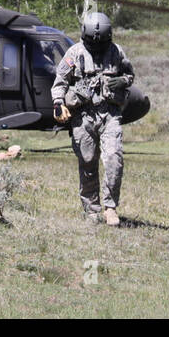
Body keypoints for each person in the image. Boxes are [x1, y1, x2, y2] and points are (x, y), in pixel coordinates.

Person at [50, 12, 135, 226]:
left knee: (114, 159)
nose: (96, 46)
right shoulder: (74, 53)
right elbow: (60, 81)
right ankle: (91, 209)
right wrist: (58, 103)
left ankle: (110, 208)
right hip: (83, 116)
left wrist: (122, 81)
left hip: (110, 114)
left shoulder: (116, 51)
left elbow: (130, 74)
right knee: (87, 162)